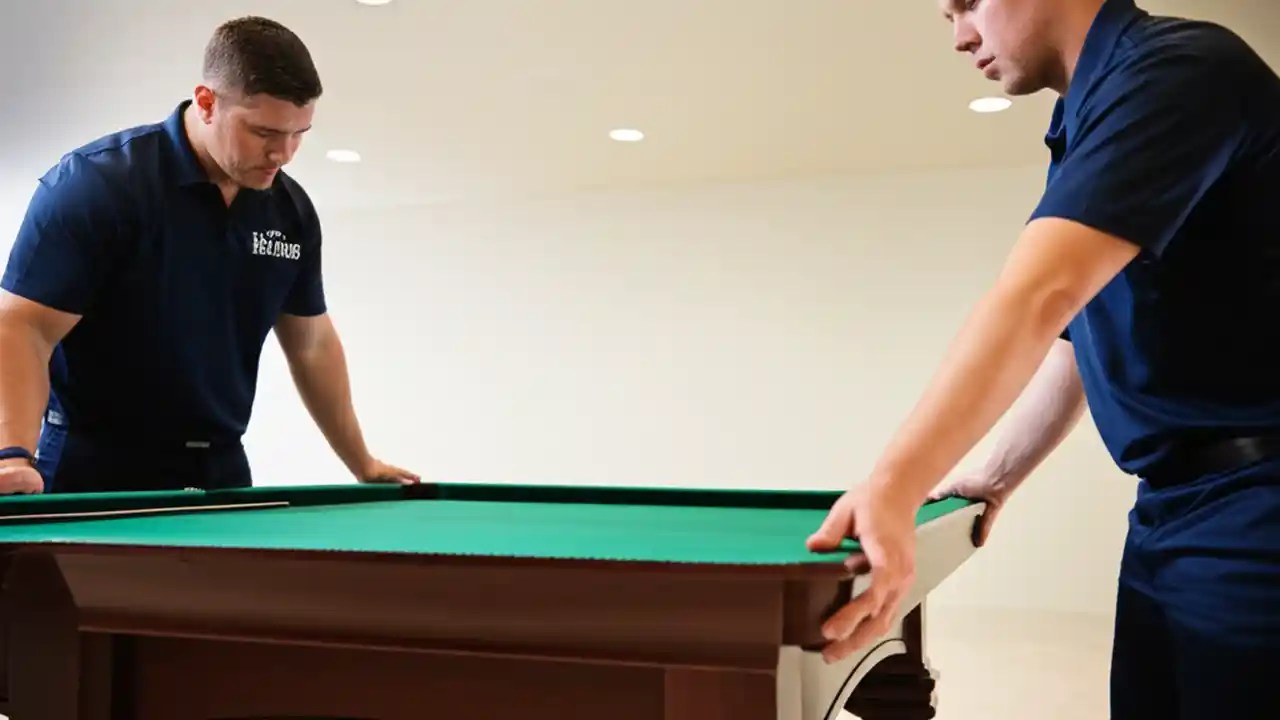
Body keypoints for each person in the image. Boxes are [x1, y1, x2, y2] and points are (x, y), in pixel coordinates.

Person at [806, 0, 1280, 718]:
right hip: (1169, 509)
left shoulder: (1177, 70)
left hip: (1255, 510)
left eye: (969, 3)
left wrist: (895, 488)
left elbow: (1038, 294)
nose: (961, 36)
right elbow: (1077, 329)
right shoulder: (1085, 115)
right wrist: (999, 476)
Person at [0, 17, 417, 495]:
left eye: (298, 133)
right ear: (206, 102)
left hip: (219, 468)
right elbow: (24, 327)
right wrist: (13, 454)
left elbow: (312, 344)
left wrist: (362, 462)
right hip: (94, 466)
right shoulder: (98, 186)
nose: (283, 154)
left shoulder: (290, 211)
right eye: (263, 132)